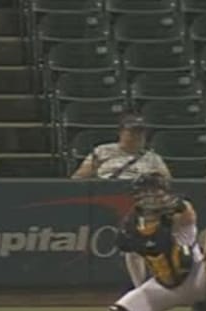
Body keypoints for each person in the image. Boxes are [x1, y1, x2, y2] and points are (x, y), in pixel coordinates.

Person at [71, 113, 170, 289]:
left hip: (139, 204)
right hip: (103, 202)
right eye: (132, 132)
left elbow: (166, 183)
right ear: (121, 133)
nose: (136, 136)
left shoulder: (153, 158)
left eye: (140, 133)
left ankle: (145, 289)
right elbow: (79, 178)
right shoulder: (102, 151)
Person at [103, 173, 206, 311]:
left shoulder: (179, 211)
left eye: (153, 191)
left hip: (196, 279)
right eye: (144, 192)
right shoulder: (133, 223)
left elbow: (187, 215)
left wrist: (168, 209)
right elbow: (131, 253)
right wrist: (140, 289)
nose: (149, 197)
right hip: (163, 285)